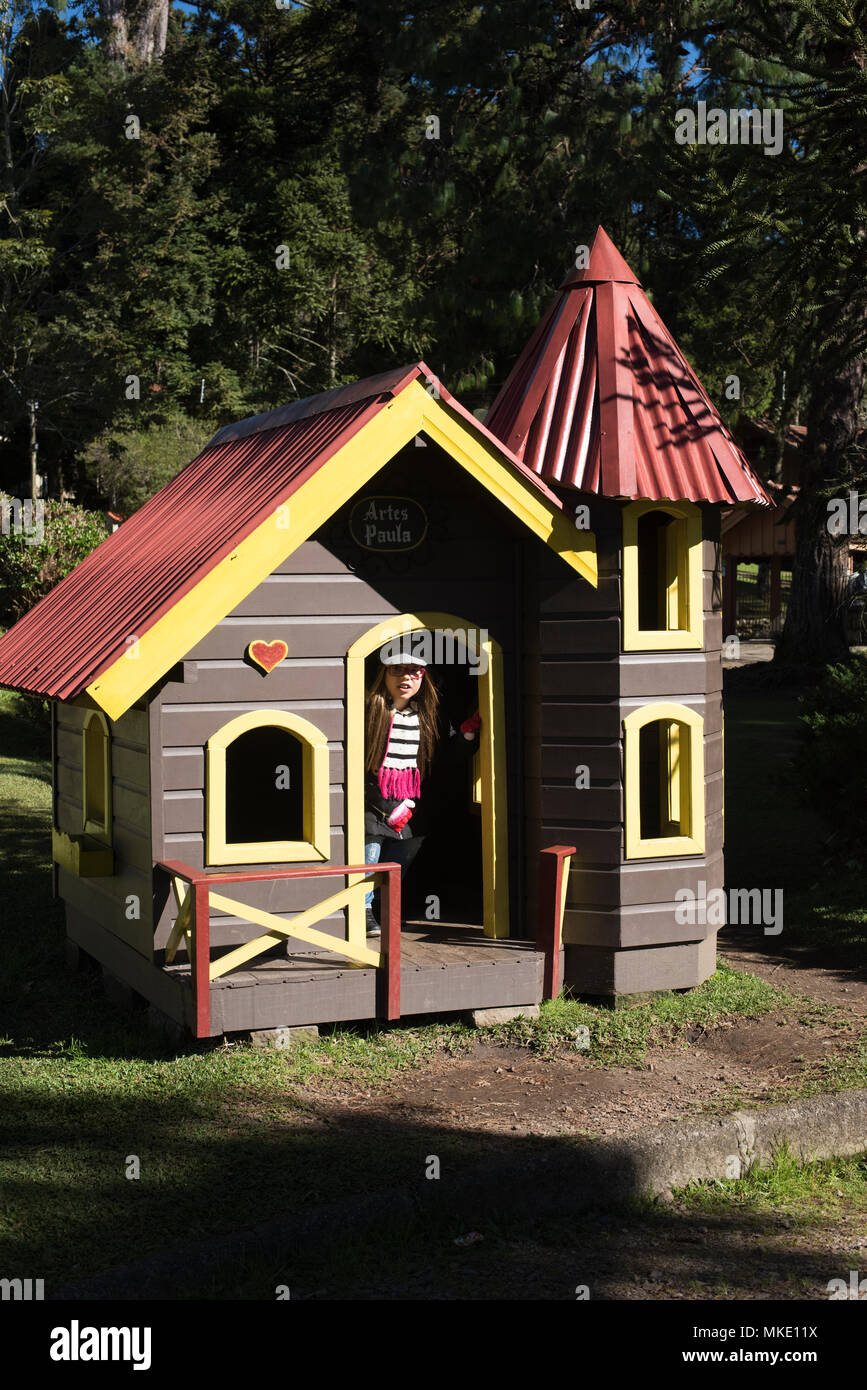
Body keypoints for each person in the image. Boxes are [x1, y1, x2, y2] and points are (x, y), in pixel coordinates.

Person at [363, 647, 479, 936]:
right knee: (367, 864)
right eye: (397, 669)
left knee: (398, 870)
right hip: (371, 805)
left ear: (423, 677)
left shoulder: (430, 717)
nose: (406, 676)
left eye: (414, 671)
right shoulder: (368, 710)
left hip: (411, 806)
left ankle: (387, 914)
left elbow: (445, 759)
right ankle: (364, 914)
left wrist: (467, 735)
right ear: (384, 674)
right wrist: (381, 805)